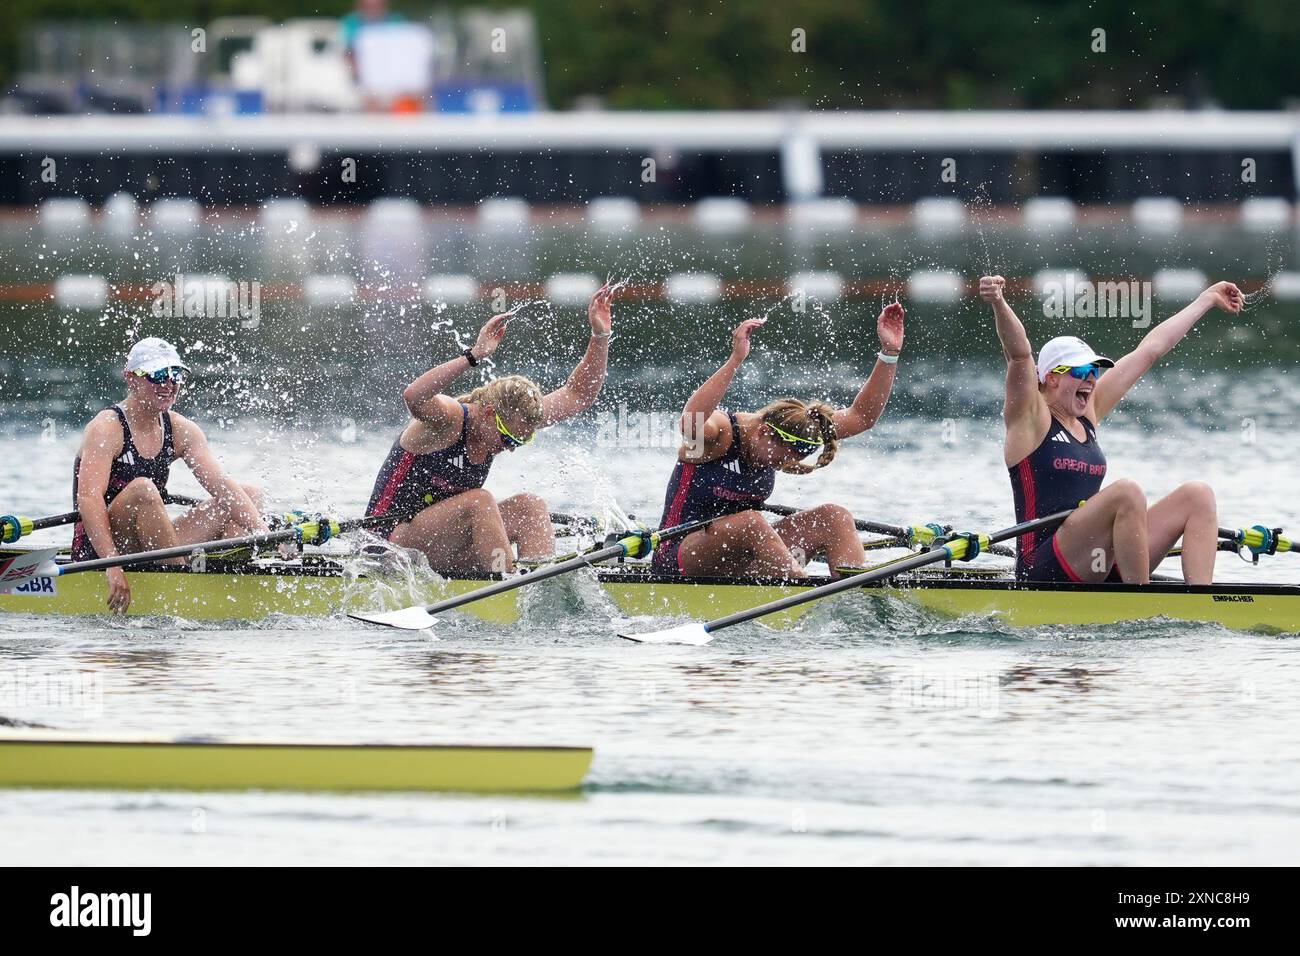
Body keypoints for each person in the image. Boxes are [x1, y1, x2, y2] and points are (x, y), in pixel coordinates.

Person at [980, 274, 1243, 584]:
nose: (1091, 378)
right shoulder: (1030, 418)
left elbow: (1150, 350)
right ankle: (1139, 601)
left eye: (1094, 370)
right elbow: (1019, 354)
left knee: (1198, 495)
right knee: (1127, 492)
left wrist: (1206, 299)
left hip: (1095, 559)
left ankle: (1202, 601)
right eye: (1081, 370)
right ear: (1051, 378)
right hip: (1043, 567)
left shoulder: (1087, 415)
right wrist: (999, 303)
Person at [366, 285, 613, 572]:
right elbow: (413, 396)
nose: (510, 448)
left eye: (520, 442)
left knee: (530, 507)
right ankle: (508, 582)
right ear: (488, 413)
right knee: (480, 502)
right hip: (389, 543)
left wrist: (600, 337)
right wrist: (473, 356)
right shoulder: (448, 420)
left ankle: (539, 587)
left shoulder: (515, 420)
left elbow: (577, 395)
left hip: (442, 546)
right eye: (508, 439)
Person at [651, 302, 906, 578]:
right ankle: (804, 590)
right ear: (764, 432)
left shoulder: (802, 428)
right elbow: (691, 422)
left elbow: (862, 416)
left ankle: (854, 594)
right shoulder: (721, 434)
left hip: (742, 559)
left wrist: (889, 353)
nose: (785, 464)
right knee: (751, 522)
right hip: (678, 557)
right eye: (782, 457)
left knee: (835, 517)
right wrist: (735, 360)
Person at [73, 337, 271, 612]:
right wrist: (112, 565)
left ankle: (231, 573)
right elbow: (88, 499)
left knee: (248, 495)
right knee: (143, 490)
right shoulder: (106, 428)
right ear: (131, 378)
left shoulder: (181, 429)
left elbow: (221, 485)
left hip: (151, 541)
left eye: (175, 374)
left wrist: (265, 533)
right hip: (103, 550)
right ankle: (185, 586)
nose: (169, 384)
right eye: (157, 375)